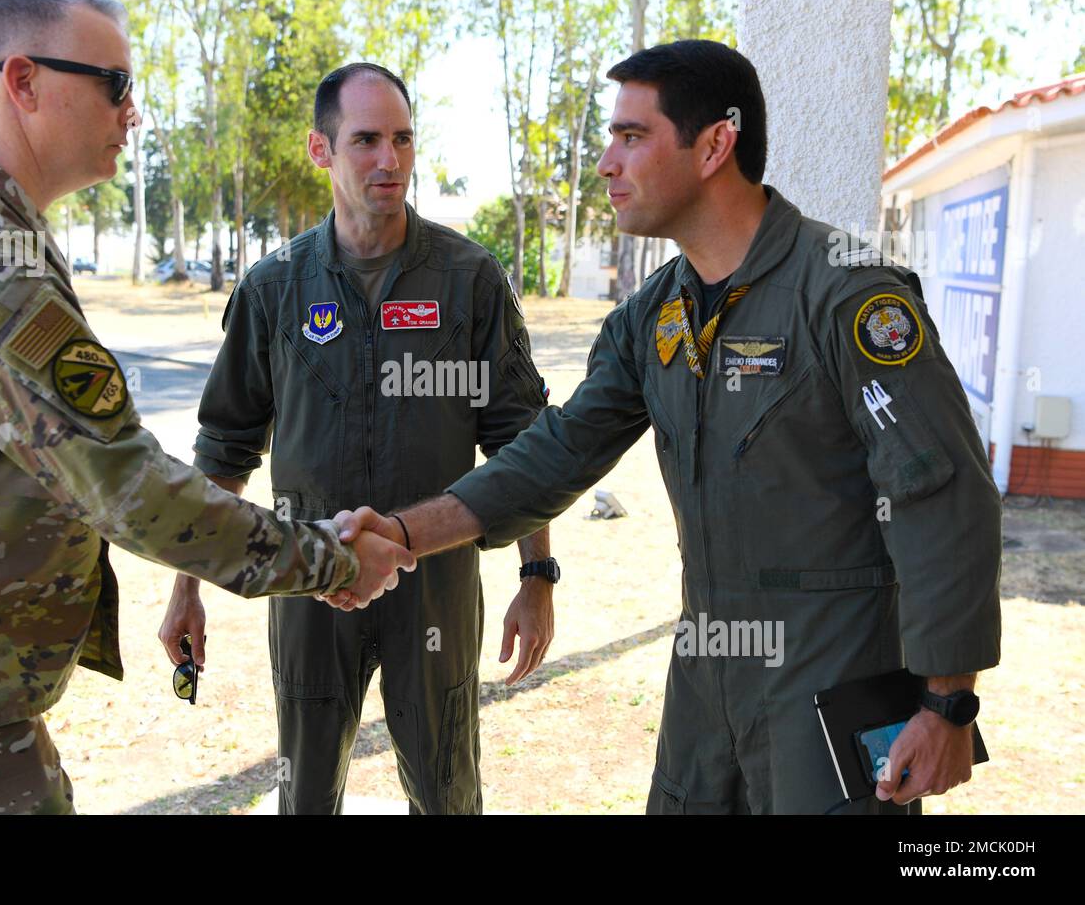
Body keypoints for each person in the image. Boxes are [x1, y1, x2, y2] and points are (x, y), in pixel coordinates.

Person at [0, 0, 412, 816]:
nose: (133, 112)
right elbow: (124, 485)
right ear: (23, 81)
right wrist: (331, 560)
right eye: (115, 84)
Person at [333, 40, 1002, 815]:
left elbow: (941, 492)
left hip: (833, 678)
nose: (607, 163)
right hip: (706, 676)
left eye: (632, 136)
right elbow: (557, 452)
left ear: (716, 143)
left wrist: (948, 700)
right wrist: (406, 533)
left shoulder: (846, 295)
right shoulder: (655, 314)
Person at [158, 63, 555, 815]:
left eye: (402, 139)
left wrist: (538, 579)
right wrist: (187, 590)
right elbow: (225, 446)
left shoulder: (469, 278)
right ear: (321, 150)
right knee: (303, 794)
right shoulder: (273, 288)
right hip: (311, 581)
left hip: (434, 580)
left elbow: (520, 442)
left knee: (447, 792)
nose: (390, 160)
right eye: (367, 140)